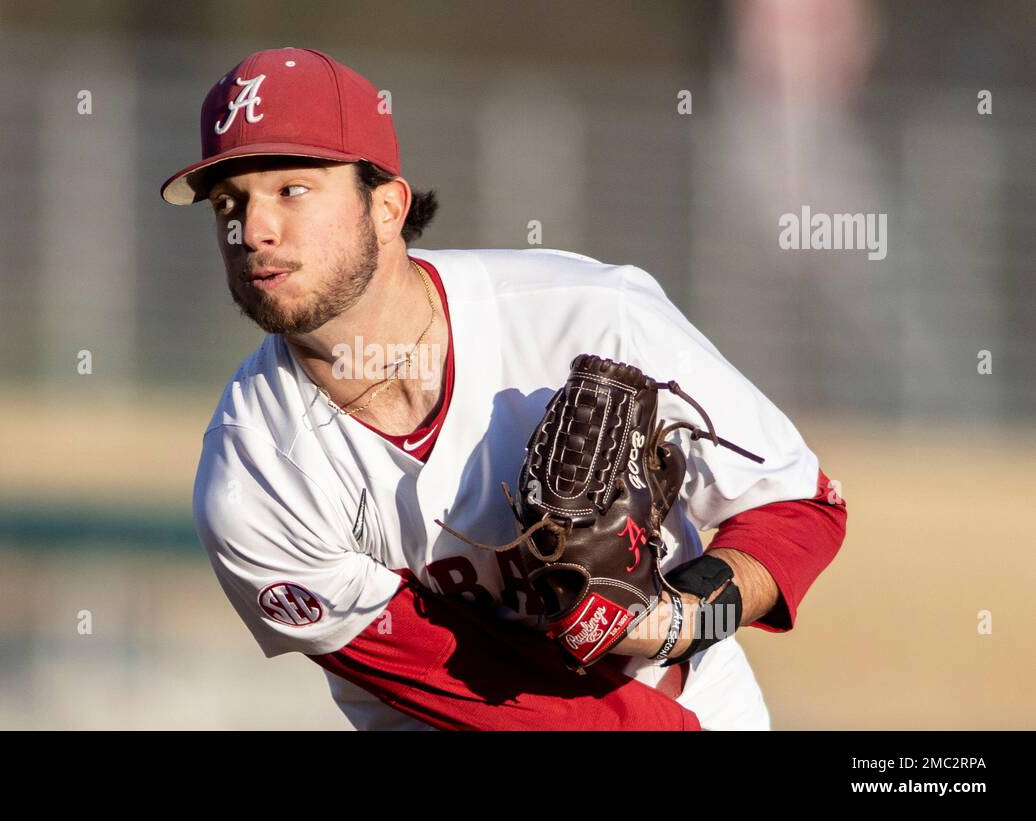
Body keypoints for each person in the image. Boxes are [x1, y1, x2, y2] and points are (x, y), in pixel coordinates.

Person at [162, 47, 847, 730]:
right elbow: (471, 685)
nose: (252, 230)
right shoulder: (250, 473)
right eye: (231, 200)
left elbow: (800, 506)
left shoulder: (589, 316)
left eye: (292, 189)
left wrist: (679, 619)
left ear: (387, 207)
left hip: (692, 696)